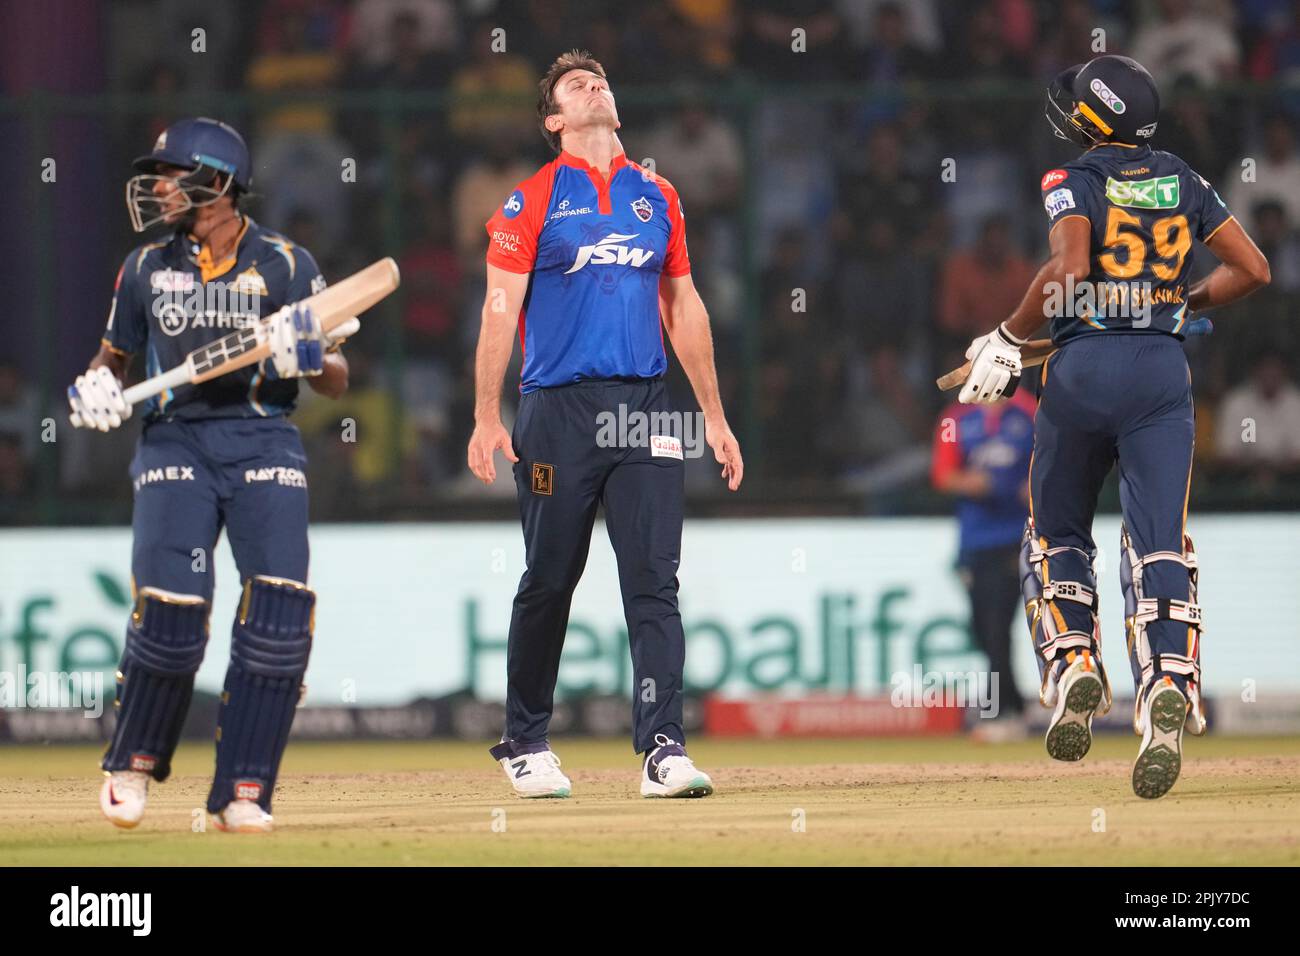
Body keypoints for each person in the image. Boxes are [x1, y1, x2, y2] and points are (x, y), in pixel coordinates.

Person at [958, 55, 1270, 798]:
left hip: (1081, 374)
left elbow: (1066, 269)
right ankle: (1168, 684)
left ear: (1092, 119)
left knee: (1057, 534)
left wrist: (1006, 338)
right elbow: (1253, 269)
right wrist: (1181, 305)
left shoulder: (1072, 181)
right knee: (1159, 542)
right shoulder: (1185, 179)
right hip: (1162, 375)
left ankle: (1074, 669)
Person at [67, 117, 357, 832]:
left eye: (171, 173)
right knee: (171, 610)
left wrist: (309, 357)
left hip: (264, 442)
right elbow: (116, 356)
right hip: (176, 442)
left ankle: (243, 791)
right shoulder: (145, 268)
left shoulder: (289, 265)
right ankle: (131, 766)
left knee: (281, 617)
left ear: (217, 183)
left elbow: (340, 378)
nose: (159, 187)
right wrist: (96, 383)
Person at [467, 50, 743, 799]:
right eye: (576, 86)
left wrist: (714, 416)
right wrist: (487, 415)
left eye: (601, 80)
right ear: (554, 120)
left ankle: (663, 749)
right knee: (550, 577)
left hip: (646, 409)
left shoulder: (658, 195)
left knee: (655, 582)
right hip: (557, 413)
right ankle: (526, 740)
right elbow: (499, 311)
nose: (596, 87)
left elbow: (685, 309)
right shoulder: (529, 202)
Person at [931, 385, 1036, 740]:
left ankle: (1003, 713)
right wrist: (970, 482)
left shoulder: (1030, 411)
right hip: (975, 540)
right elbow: (943, 475)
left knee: (997, 625)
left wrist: (1033, 487)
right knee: (981, 626)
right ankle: (1017, 707)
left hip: (1014, 536)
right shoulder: (955, 419)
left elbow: (1050, 461)